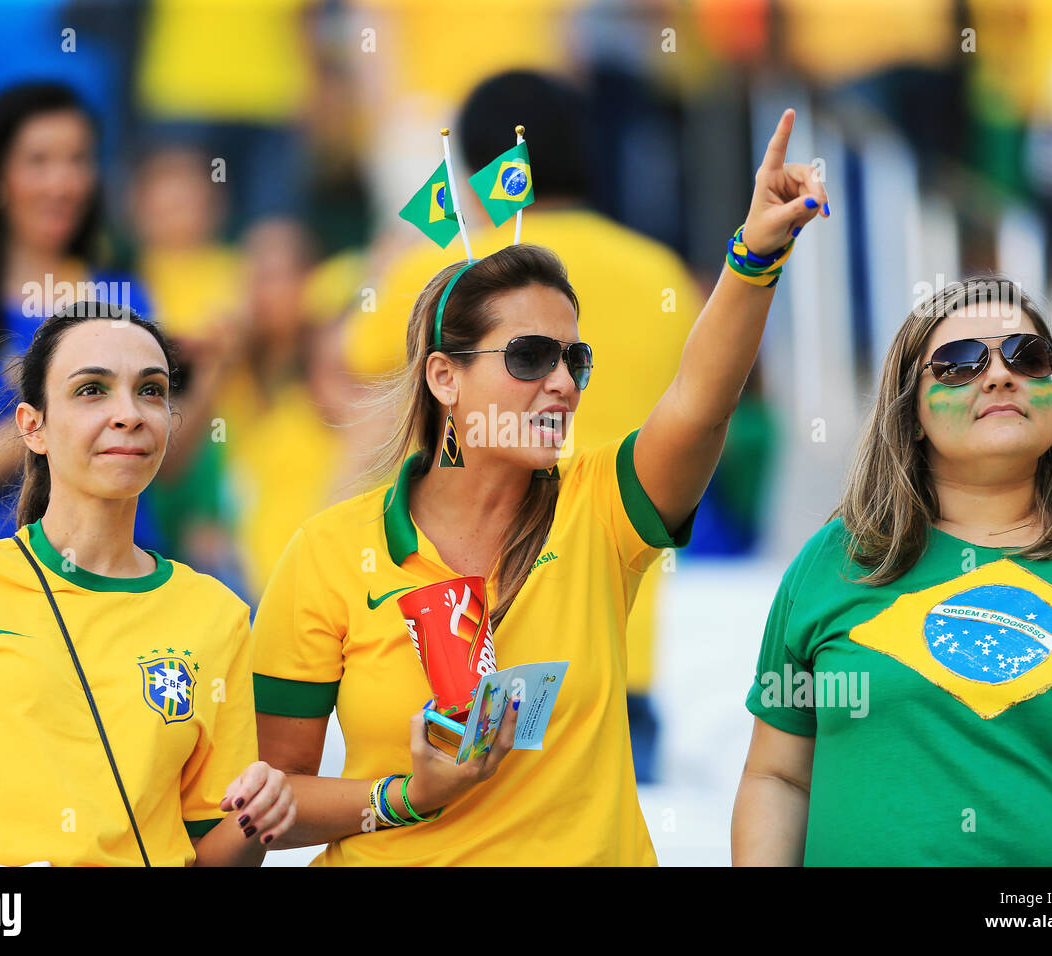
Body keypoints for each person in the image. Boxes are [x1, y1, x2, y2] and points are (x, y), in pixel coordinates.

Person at [252, 110, 829, 864]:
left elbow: (700, 403)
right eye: (529, 357)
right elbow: (275, 801)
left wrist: (757, 254)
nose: (561, 383)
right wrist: (408, 796)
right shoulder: (329, 551)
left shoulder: (601, 507)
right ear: (444, 377)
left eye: (574, 360)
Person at [732, 277, 1052, 866]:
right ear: (911, 413)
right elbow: (779, 777)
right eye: (960, 363)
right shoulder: (837, 561)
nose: (998, 374)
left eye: (1026, 356)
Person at [0, 303, 294, 866]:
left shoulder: (216, 613)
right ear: (32, 426)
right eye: (92, 390)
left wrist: (257, 816)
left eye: (151, 390)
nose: (129, 413)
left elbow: (208, 853)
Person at [0, 81, 179, 547]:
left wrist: (212, 372)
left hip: (126, 576)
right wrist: (63, 413)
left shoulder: (129, 296)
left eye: (78, 160)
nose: (63, 184)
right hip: (0, 585)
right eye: (38, 161)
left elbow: (169, 464)